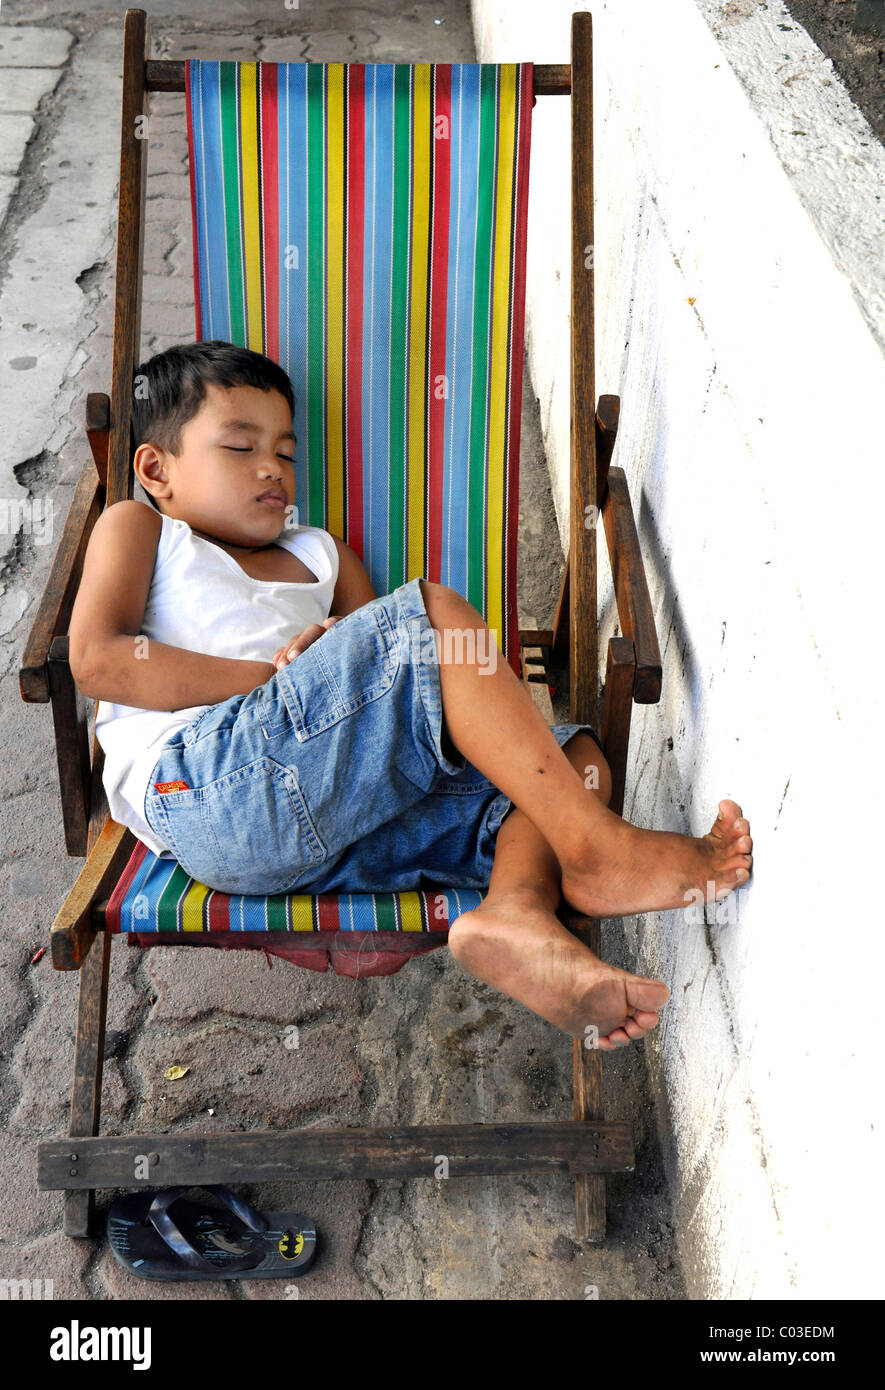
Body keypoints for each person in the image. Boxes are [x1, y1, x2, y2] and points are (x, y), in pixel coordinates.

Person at [69, 341, 753, 1050]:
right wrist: (278, 682)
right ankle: (597, 849)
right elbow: (97, 660)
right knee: (433, 615)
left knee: (572, 758)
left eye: (286, 451)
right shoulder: (146, 529)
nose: (272, 466)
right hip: (206, 787)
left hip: (338, 824)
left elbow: (381, 674)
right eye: (240, 446)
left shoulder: (322, 555)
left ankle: (516, 913)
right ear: (156, 469)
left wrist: (334, 651)